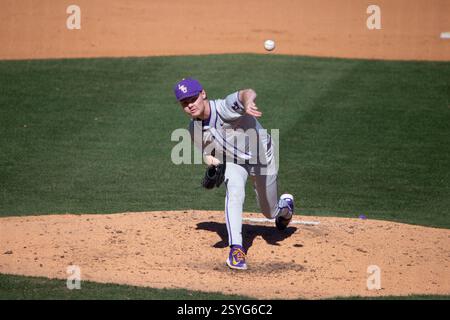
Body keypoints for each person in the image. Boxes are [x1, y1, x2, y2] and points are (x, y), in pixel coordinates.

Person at [173, 78, 295, 270]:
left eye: (193, 98)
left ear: (203, 94)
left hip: (263, 157)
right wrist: (210, 161)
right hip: (236, 162)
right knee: (235, 192)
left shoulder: (225, 107)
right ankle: (236, 249)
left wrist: (247, 102)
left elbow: (246, 92)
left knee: (269, 212)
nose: (190, 105)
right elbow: (206, 151)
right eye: (184, 102)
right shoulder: (194, 128)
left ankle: (285, 208)